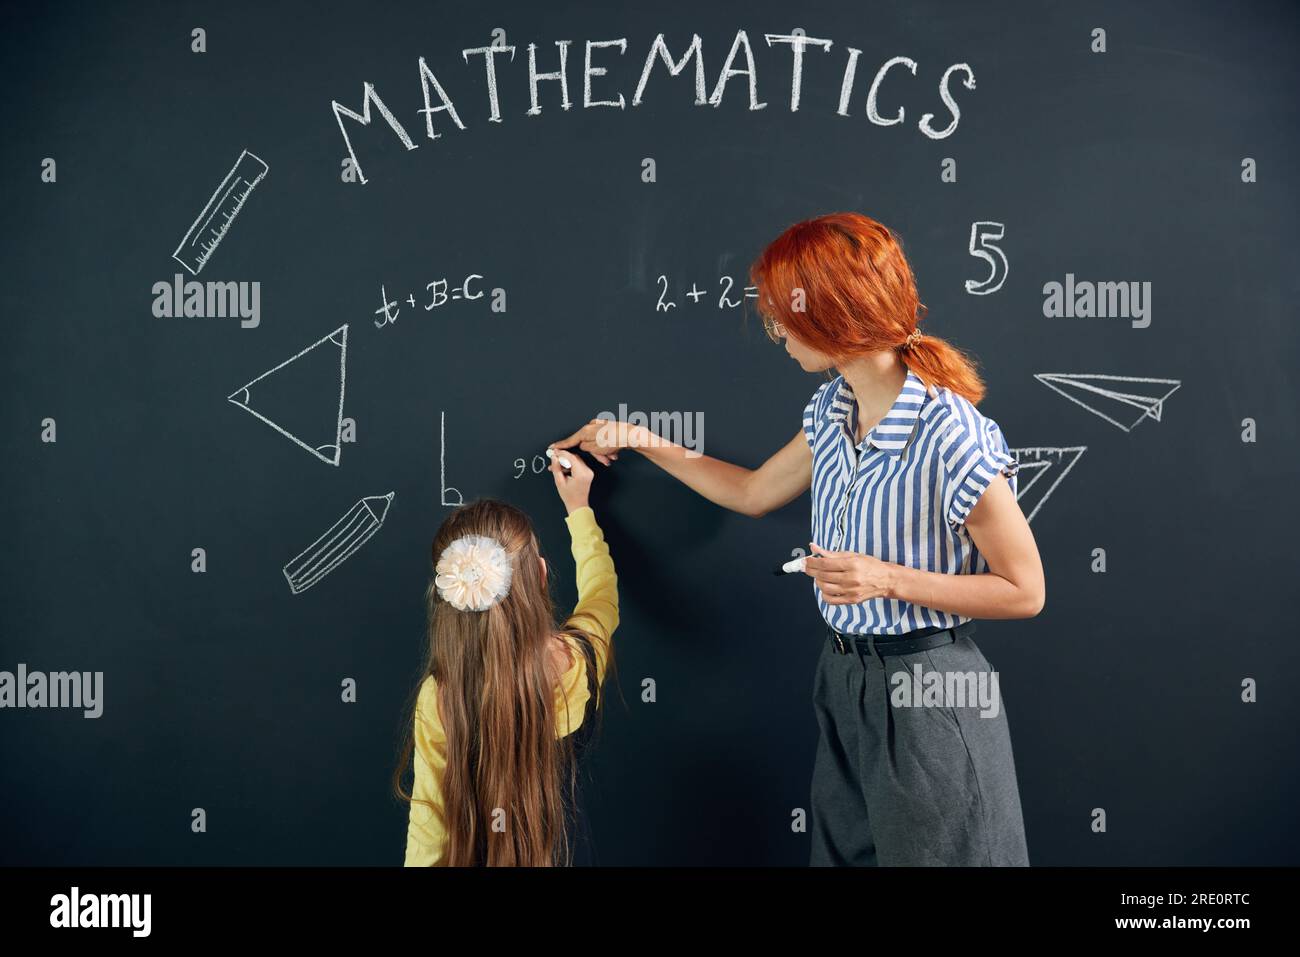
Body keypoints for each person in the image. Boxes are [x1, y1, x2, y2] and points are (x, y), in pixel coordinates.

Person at [553, 211, 1044, 866]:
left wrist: (886, 578)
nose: (777, 330)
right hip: (844, 677)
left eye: (786, 313)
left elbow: (1025, 588)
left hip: (930, 691)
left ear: (838, 313)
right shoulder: (833, 409)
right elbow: (754, 492)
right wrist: (638, 436)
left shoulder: (950, 433)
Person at [395, 450, 618, 866]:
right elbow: (602, 594)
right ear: (540, 574)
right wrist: (579, 509)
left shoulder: (440, 697)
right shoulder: (580, 657)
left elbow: (428, 825)